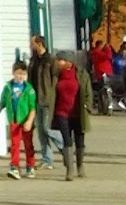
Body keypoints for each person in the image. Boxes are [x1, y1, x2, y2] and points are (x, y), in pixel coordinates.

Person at [52, 51, 91, 179]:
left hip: (78, 112)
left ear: (68, 61)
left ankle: (80, 166)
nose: (58, 62)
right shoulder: (56, 75)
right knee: (67, 141)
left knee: (79, 141)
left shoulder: (80, 74)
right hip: (62, 112)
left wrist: (88, 105)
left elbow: (87, 90)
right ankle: (69, 170)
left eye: (60, 60)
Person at [0, 60, 37, 178]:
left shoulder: (29, 89)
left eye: (23, 74)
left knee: (28, 144)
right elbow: (2, 103)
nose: (21, 76)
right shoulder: (8, 88)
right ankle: (14, 167)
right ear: (13, 73)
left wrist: (29, 121)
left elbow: (32, 108)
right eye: (18, 73)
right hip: (14, 120)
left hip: (25, 121)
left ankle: (30, 165)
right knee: (14, 144)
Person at [28, 35, 58, 169]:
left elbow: (55, 79)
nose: (31, 45)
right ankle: (47, 159)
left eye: (32, 43)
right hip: (35, 98)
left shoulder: (50, 60)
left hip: (46, 98)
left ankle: (65, 146)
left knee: (47, 128)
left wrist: (52, 95)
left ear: (39, 44)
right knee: (40, 130)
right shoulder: (34, 60)